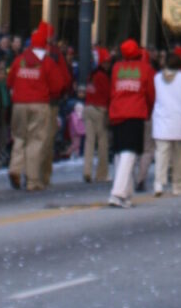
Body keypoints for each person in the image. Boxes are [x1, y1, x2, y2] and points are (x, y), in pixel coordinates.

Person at [7, 22, 70, 193]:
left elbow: (9, 81)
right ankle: (33, 180)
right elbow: (58, 85)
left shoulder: (19, 60)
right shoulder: (47, 62)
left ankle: (15, 168)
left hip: (19, 104)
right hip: (39, 103)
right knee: (35, 141)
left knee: (19, 137)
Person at [107, 39, 154, 208]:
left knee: (120, 153)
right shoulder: (145, 69)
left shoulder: (116, 68)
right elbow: (150, 93)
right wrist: (148, 111)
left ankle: (126, 193)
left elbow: (112, 89)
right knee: (130, 153)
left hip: (117, 111)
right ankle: (118, 192)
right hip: (135, 112)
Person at [150, 49, 181, 196]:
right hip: (179, 122)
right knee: (179, 156)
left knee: (161, 155)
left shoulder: (157, 78)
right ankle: (177, 185)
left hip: (161, 121)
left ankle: (158, 183)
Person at [82, 46, 111, 184]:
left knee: (89, 142)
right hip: (100, 110)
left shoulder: (91, 76)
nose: (108, 64)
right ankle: (101, 173)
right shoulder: (102, 76)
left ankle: (87, 171)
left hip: (88, 108)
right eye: (107, 62)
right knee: (102, 143)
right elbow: (108, 94)